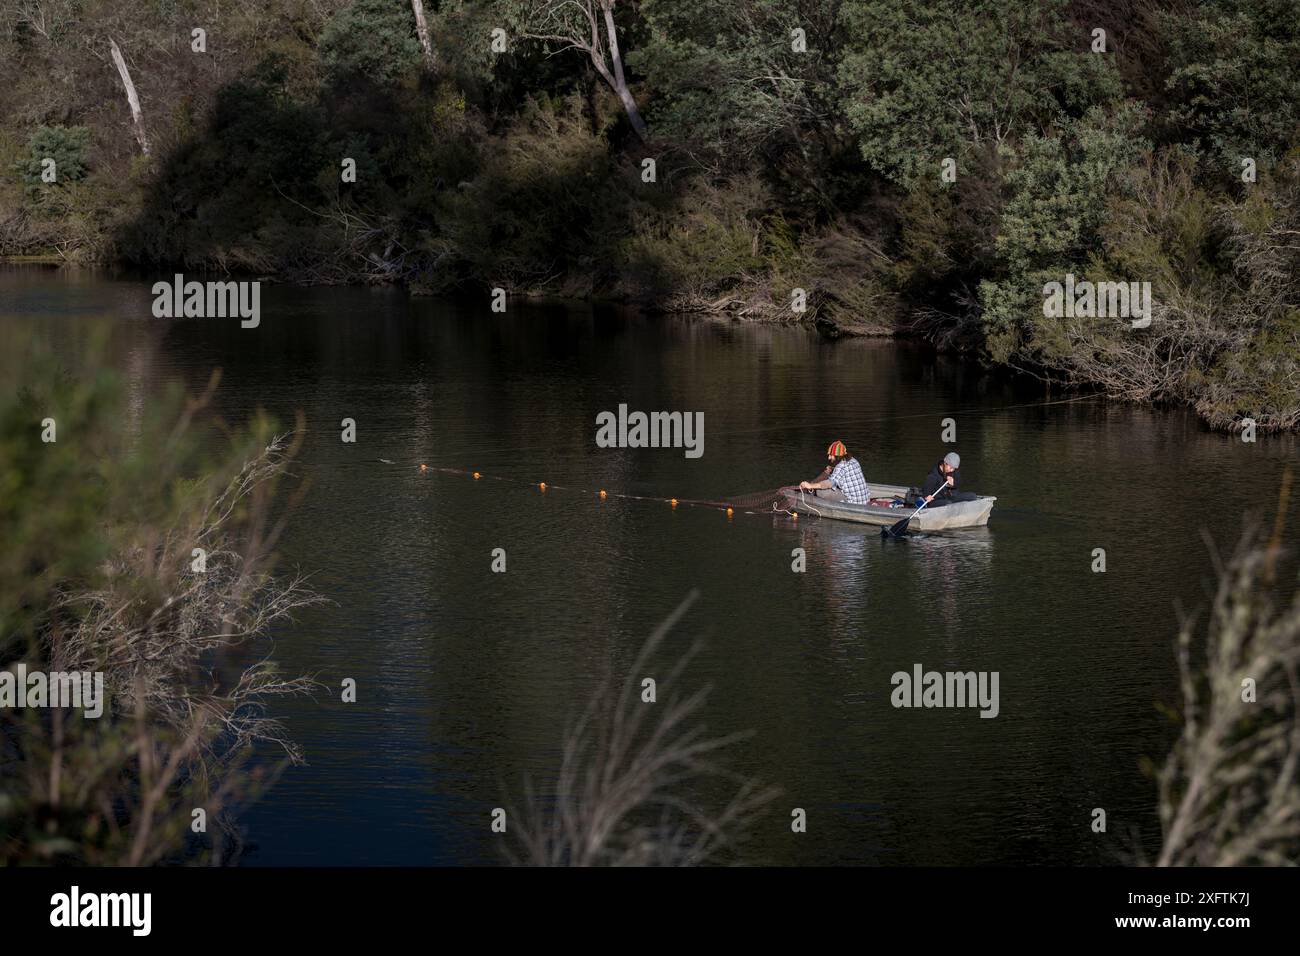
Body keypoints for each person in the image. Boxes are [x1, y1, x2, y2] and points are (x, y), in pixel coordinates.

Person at [799, 440, 869, 504]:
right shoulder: (853, 460)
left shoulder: (841, 466)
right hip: (864, 499)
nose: (829, 458)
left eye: (831, 455)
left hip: (853, 502)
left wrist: (810, 485)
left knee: (820, 491)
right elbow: (845, 471)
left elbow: (829, 483)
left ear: (837, 456)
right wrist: (833, 469)